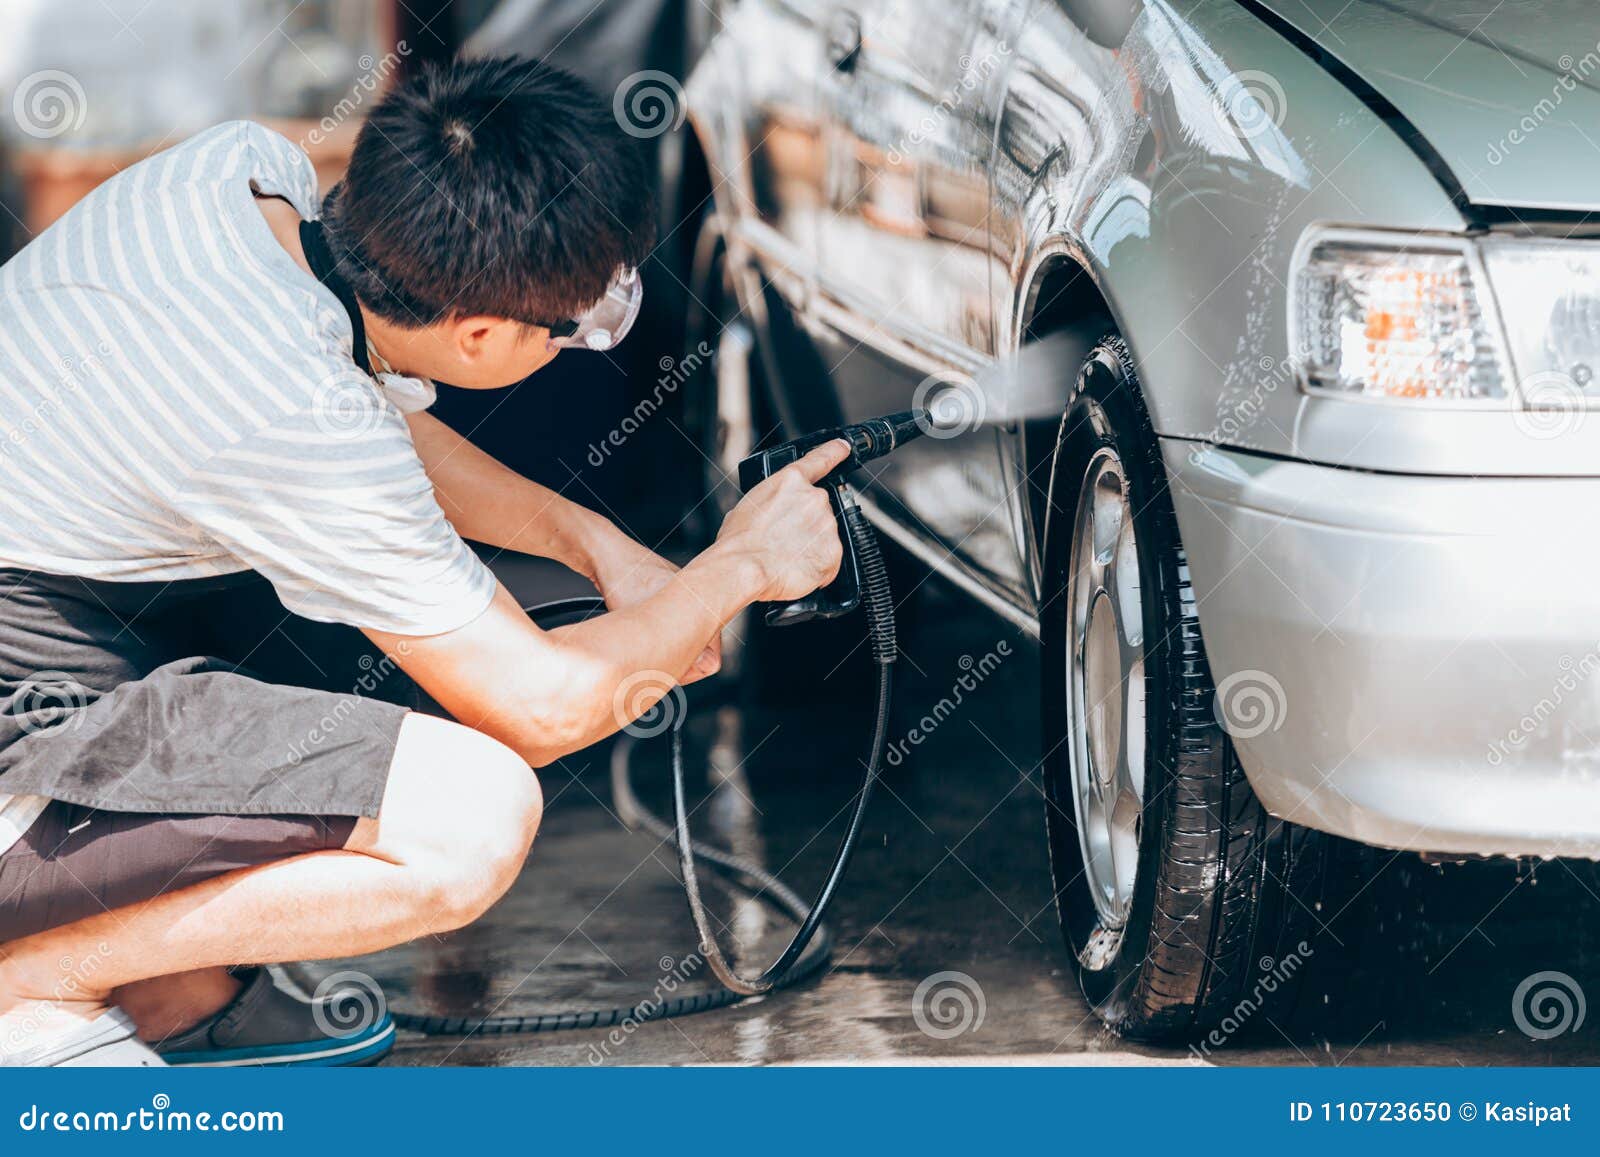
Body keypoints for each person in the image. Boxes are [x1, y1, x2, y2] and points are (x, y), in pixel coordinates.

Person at [0, 56, 847, 1067]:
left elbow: (370, 420)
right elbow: (537, 705)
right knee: (471, 816)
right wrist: (739, 567)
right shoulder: (294, 415)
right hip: (27, 703)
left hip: (66, 634)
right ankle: (33, 983)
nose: (580, 341)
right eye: (576, 330)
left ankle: (142, 972)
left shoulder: (239, 176)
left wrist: (606, 550)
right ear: (483, 334)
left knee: (383, 650)